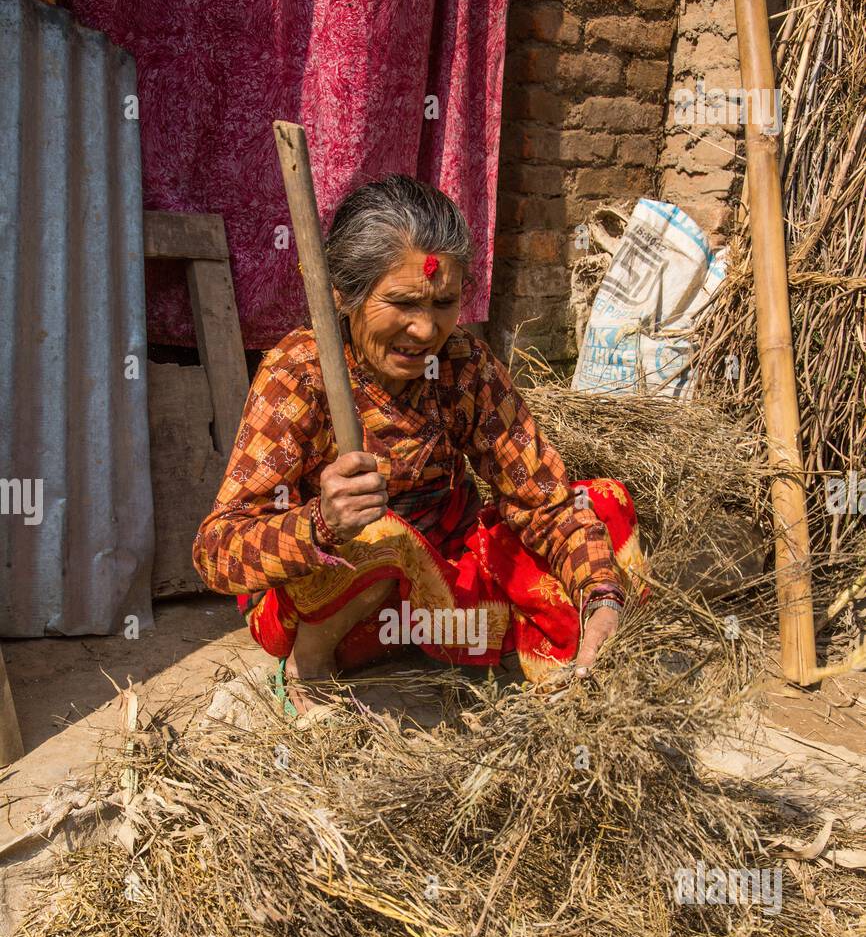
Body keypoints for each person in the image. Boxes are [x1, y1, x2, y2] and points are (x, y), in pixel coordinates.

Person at [193, 175, 646, 716]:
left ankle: (550, 638)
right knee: (379, 535)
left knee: (601, 508)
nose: (426, 328)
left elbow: (542, 501)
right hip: (328, 593)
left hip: (435, 583)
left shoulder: (464, 367)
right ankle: (309, 671)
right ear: (343, 294)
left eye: (445, 302)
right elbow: (216, 551)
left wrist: (599, 595)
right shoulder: (298, 374)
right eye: (403, 302)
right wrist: (319, 523)